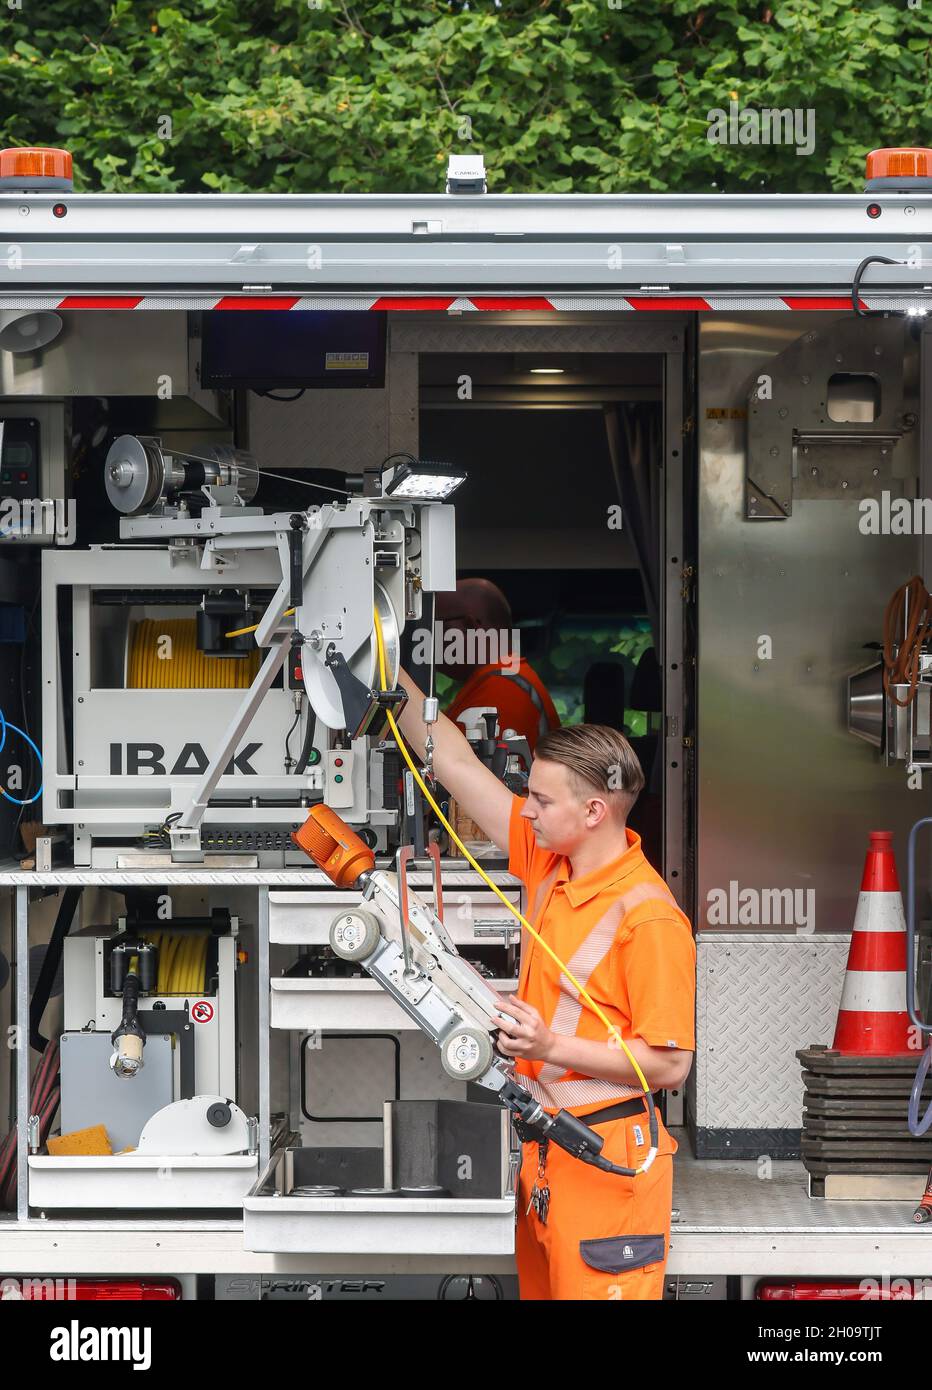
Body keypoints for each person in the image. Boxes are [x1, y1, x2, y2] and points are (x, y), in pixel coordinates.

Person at [395, 667, 695, 1301]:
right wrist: (379, 657)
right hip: (549, 1155)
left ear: (593, 810)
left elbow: (670, 1065)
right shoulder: (550, 862)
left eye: (541, 800)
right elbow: (452, 760)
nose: (524, 810)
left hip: (608, 1162)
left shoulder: (650, 918)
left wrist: (548, 1048)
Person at [432, 578, 559, 752]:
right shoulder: (502, 679)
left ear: (470, 626)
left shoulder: (503, 688)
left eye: (435, 625)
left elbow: (463, 769)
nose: (430, 637)